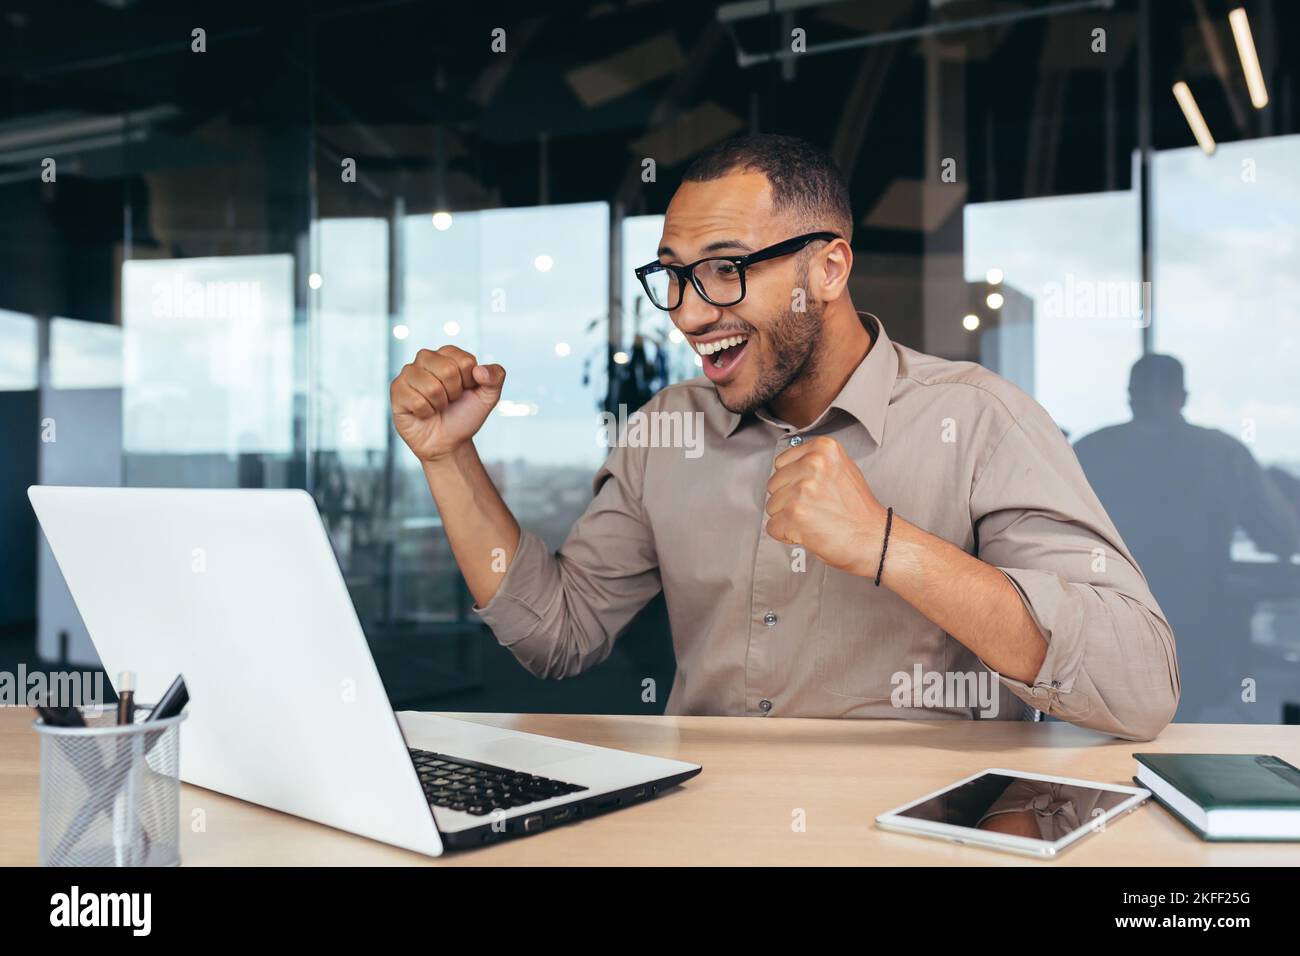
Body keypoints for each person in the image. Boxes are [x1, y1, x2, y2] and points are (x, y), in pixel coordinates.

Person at [390, 134, 1179, 740]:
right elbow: (557, 633)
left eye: (725, 268)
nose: (689, 311)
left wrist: (889, 545)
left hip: (917, 841)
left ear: (828, 270)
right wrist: (449, 457)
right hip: (709, 829)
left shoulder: (981, 421)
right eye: (674, 275)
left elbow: (1140, 686)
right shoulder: (666, 430)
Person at [1074, 353, 1299, 721]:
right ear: (1182, 396)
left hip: (1105, 631)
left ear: (1129, 394)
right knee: (1190, 727)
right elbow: (1282, 538)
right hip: (1196, 637)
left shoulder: (1088, 451)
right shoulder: (1223, 453)